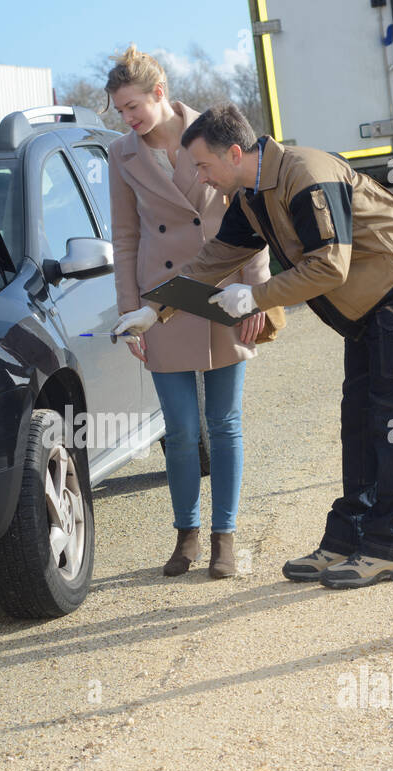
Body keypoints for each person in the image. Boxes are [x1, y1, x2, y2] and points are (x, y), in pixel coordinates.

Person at [114, 104, 393, 589]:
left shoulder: (307, 176)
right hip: (368, 307)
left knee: (392, 418)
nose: (201, 179)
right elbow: (212, 261)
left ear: (236, 153)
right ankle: (349, 536)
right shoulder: (248, 196)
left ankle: (392, 546)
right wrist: (154, 309)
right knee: (358, 419)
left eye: (204, 166)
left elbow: (331, 267)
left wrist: (257, 296)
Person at [104, 46, 285, 579]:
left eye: (133, 105)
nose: (128, 118)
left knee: (224, 423)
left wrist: (259, 293)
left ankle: (225, 538)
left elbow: (249, 210)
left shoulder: (209, 132)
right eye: (120, 111)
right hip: (162, 298)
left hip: (225, 287)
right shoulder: (121, 155)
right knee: (181, 431)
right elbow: (126, 235)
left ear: (159, 93)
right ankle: (187, 534)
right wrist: (129, 312)